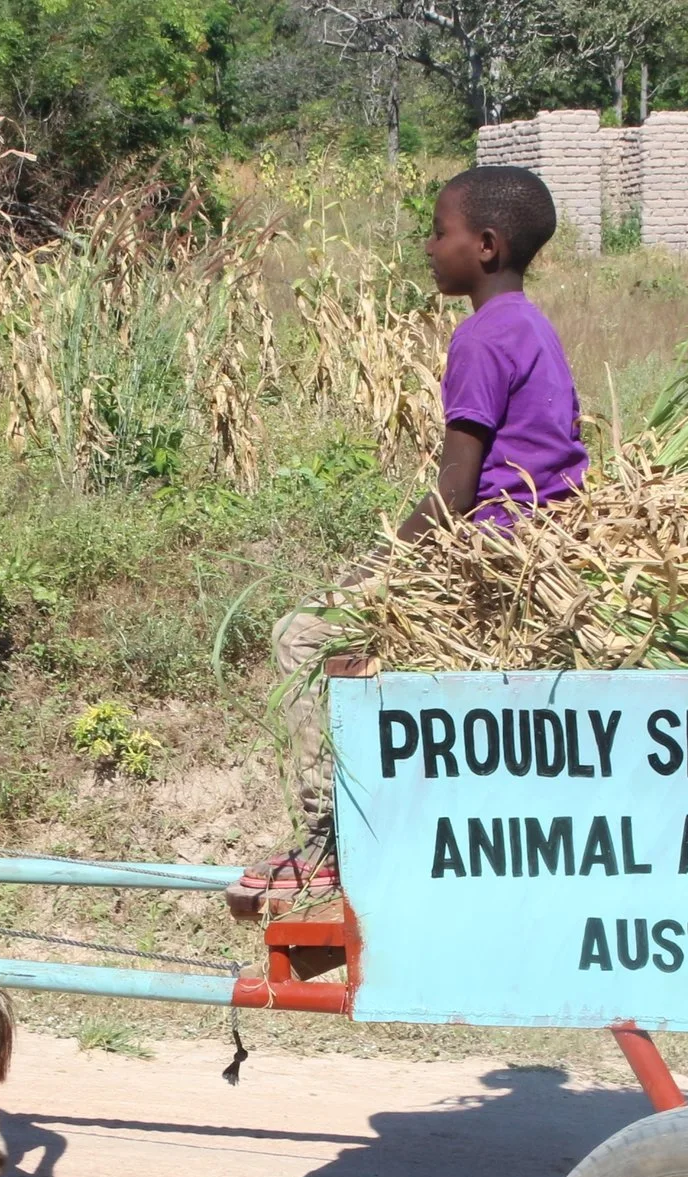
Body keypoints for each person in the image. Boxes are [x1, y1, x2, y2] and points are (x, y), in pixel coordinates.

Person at [232, 164, 590, 906]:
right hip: (542, 545)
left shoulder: (482, 338)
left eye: (440, 231)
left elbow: (456, 489)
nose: (428, 246)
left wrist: (378, 565)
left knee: (303, 633)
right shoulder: (533, 325)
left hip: (493, 550)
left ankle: (327, 834)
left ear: (485, 246)